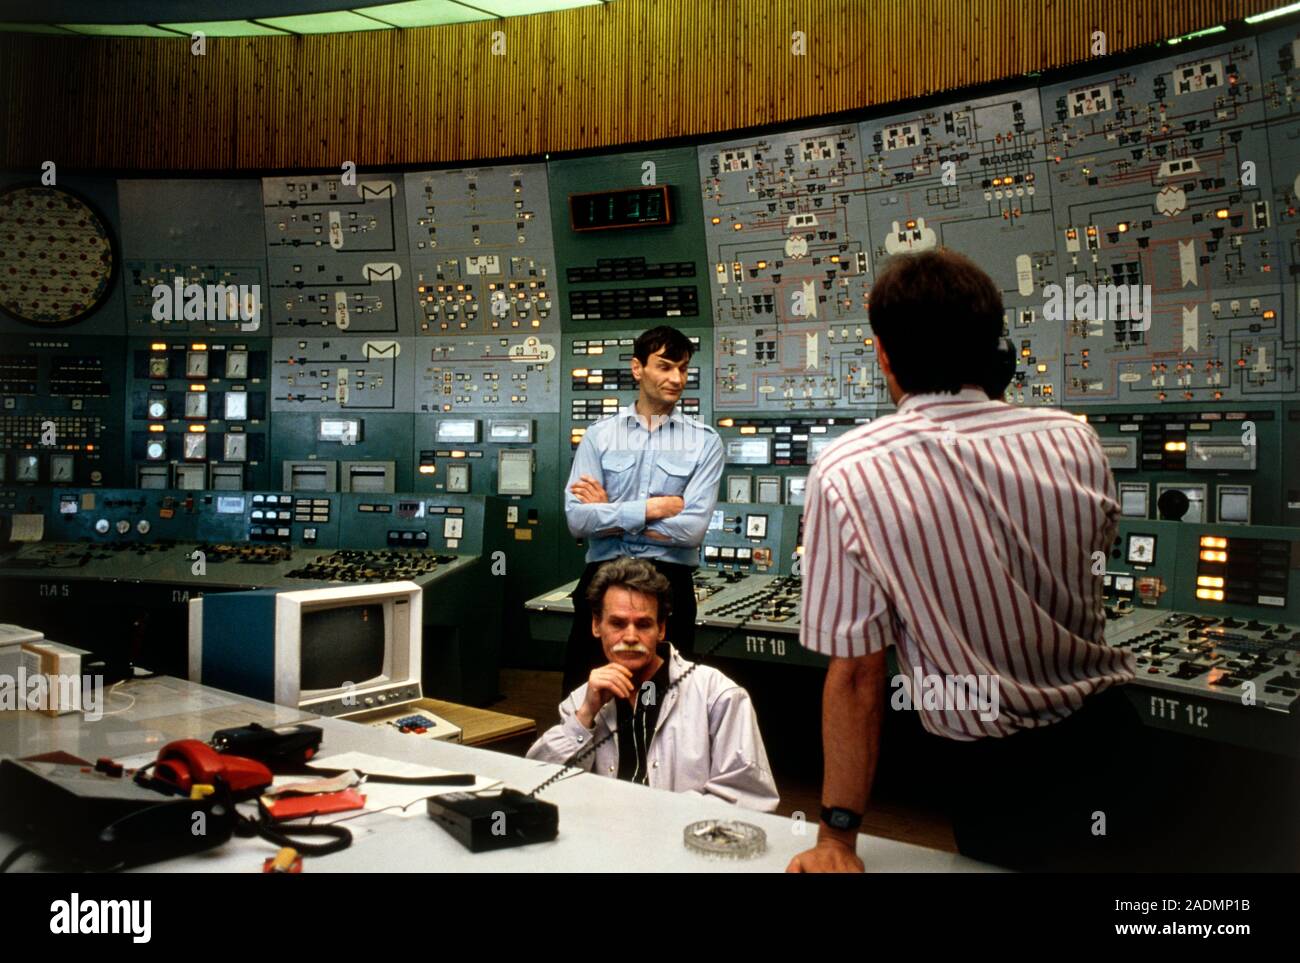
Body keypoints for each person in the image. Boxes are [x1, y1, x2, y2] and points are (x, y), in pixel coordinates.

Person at [786, 248, 1141, 873]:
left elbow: (859, 678)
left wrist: (837, 837)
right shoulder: (1075, 439)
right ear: (995, 348)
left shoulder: (848, 470)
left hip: (994, 772)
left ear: (883, 354)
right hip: (1109, 738)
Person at [527, 557, 779, 812]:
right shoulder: (582, 700)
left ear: (661, 629)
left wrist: (657, 819)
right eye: (617, 623)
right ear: (596, 625)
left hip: (685, 843)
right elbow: (538, 786)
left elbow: (749, 797)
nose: (630, 637)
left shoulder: (718, 695)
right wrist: (584, 718)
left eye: (644, 624)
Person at [561, 325, 723, 695]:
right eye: (665, 366)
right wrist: (651, 508)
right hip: (602, 582)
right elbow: (577, 520)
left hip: (669, 586)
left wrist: (612, 514)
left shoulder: (705, 443)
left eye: (683, 369)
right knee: (584, 700)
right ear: (638, 368)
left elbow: (692, 530)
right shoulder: (599, 436)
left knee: (666, 707)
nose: (676, 378)